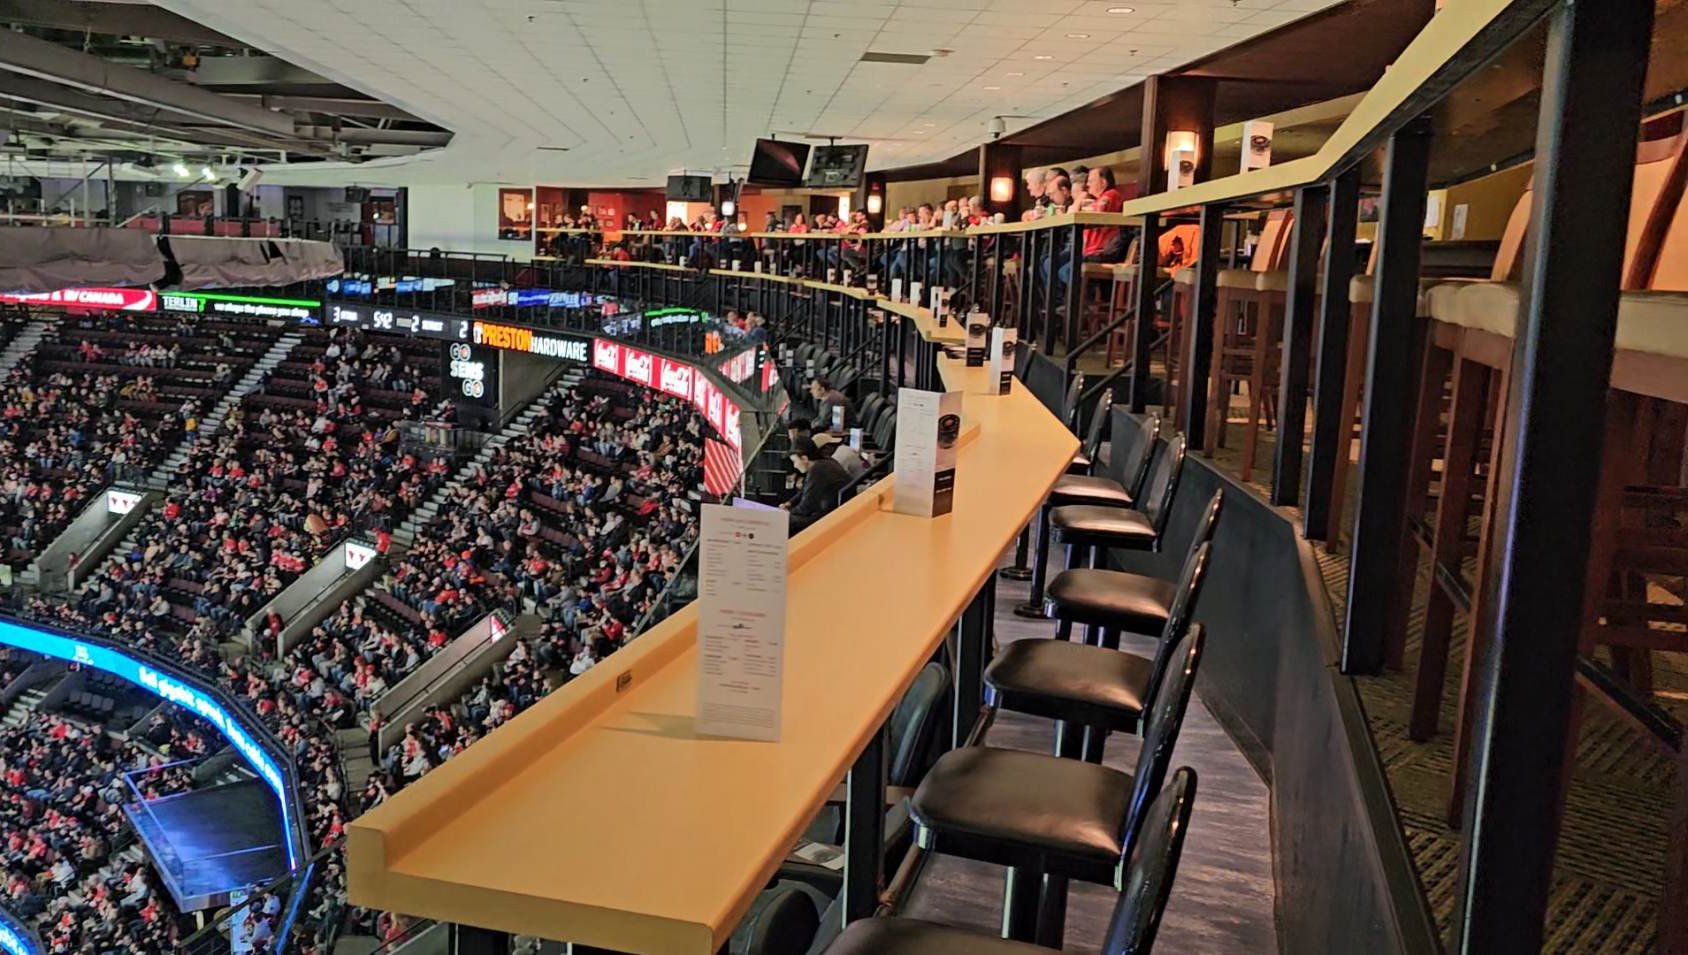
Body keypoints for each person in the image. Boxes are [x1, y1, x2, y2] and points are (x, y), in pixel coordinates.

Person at [782, 438, 850, 533]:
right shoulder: (826, 461)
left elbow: (806, 507)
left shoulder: (818, 471)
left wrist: (784, 514)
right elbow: (805, 489)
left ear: (804, 458)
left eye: (795, 461)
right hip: (832, 510)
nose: (795, 466)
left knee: (784, 522)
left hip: (829, 517)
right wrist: (790, 503)